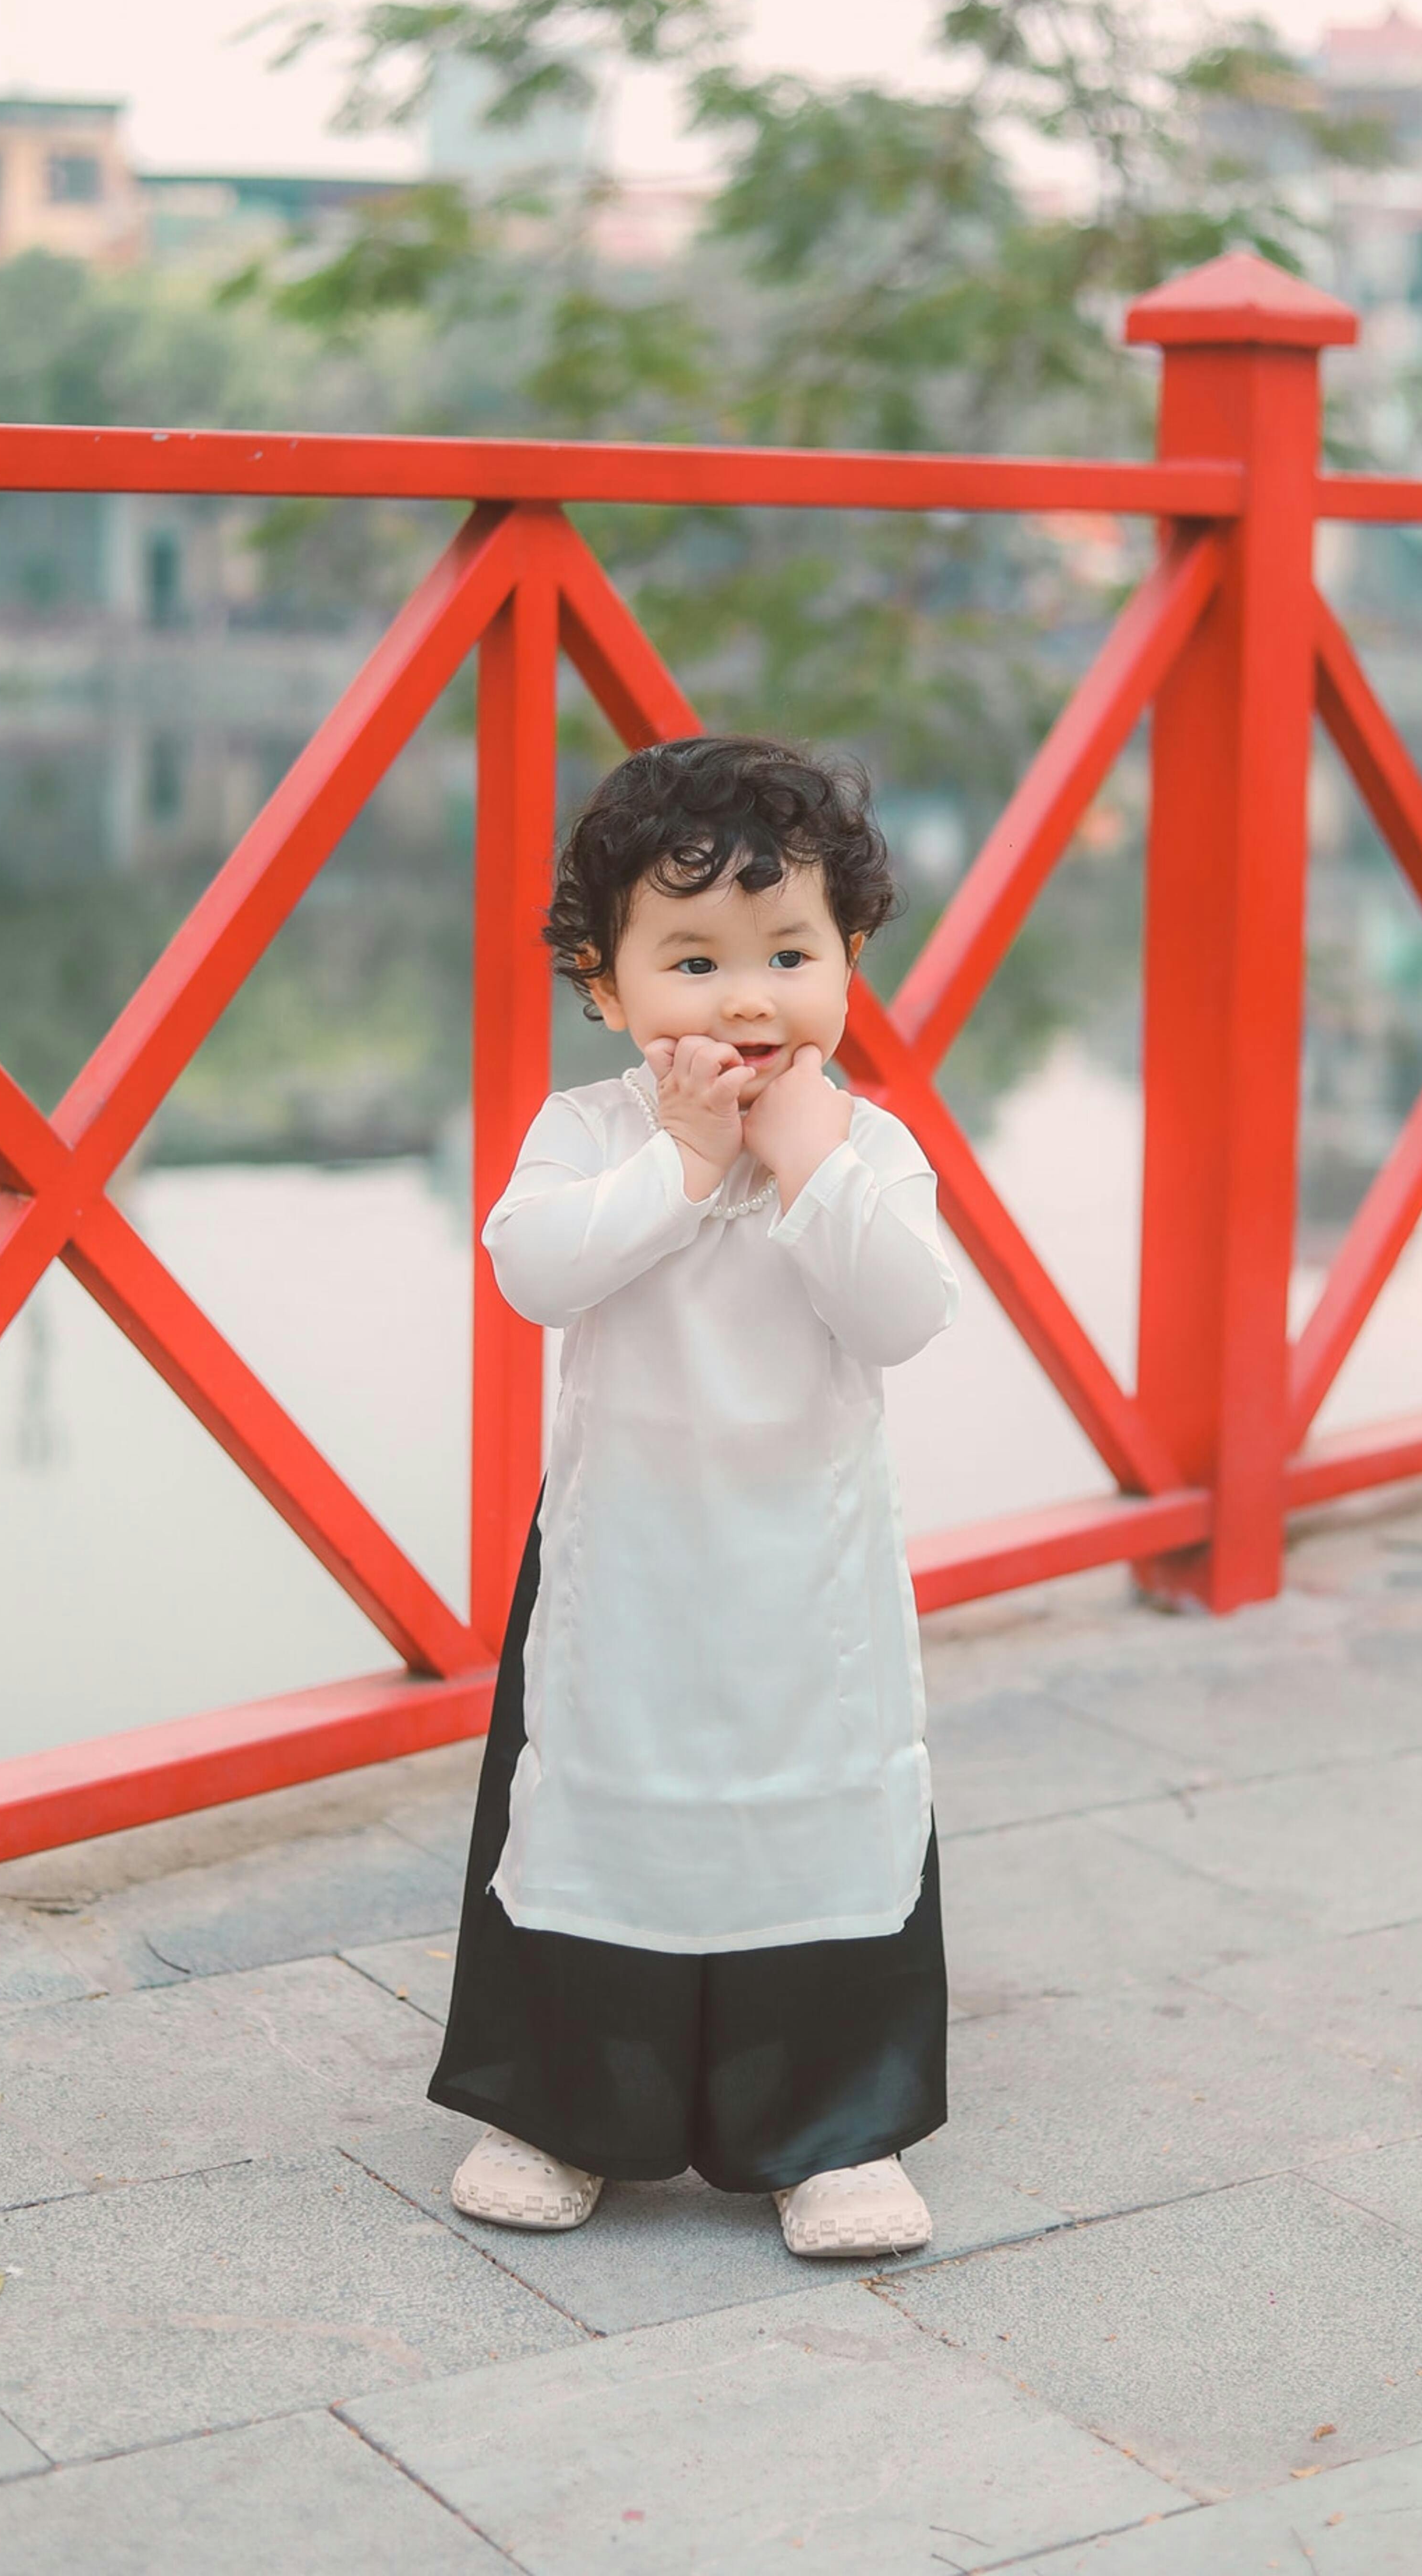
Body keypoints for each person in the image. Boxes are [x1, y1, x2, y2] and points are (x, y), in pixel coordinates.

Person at [426, 734, 958, 2257]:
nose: (745, 996)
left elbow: (904, 1315)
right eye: (694, 958)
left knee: (819, 1821)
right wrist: (680, 1155)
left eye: (788, 952)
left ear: (849, 958)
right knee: (599, 1812)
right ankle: (565, 2106)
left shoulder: (864, 1144)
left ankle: (835, 2126)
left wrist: (807, 1165)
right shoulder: (590, 1135)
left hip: (809, 1576)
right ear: (605, 983)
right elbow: (534, 1267)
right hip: (632, 1565)